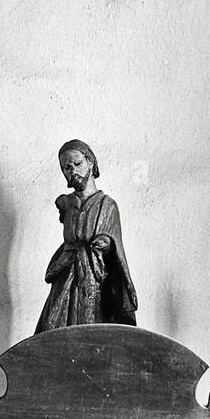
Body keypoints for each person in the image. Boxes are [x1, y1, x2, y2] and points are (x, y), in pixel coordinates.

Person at [35, 139, 138, 332]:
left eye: (77, 164)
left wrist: (105, 243)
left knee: (90, 328)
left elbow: (114, 243)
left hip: (93, 277)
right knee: (53, 329)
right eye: (66, 167)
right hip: (64, 275)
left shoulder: (107, 205)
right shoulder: (66, 204)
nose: (72, 170)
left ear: (90, 162)